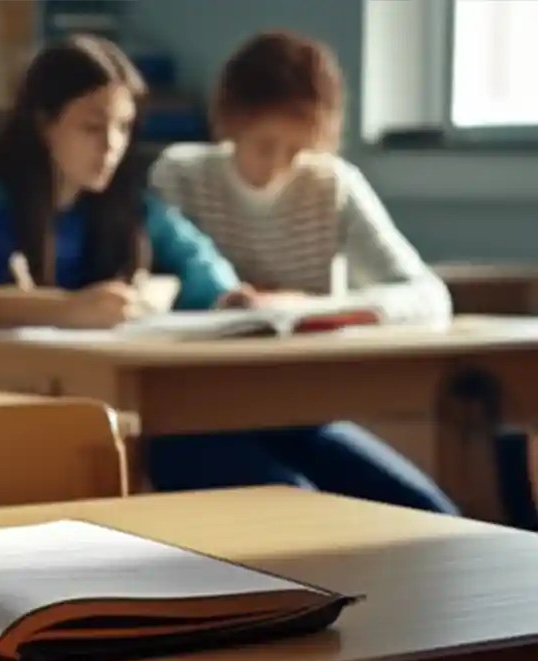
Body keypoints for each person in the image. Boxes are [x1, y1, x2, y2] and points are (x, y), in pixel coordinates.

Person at [146, 30, 458, 514]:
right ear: (231, 121)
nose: (279, 167)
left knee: (431, 514)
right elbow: (155, 294)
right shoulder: (180, 176)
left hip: (298, 412)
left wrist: (314, 309)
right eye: (265, 145)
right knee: (308, 513)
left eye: (297, 150)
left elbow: (426, 293)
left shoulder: (330, 183)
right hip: (193, 418)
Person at [0, 34, 246, 380]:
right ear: (44, 123)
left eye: (123, 128)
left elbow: (200, 261)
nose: (111, 146)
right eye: (93, 127)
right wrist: (71, 309)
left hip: (94, 380)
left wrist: (235, 300)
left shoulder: (128, 204)